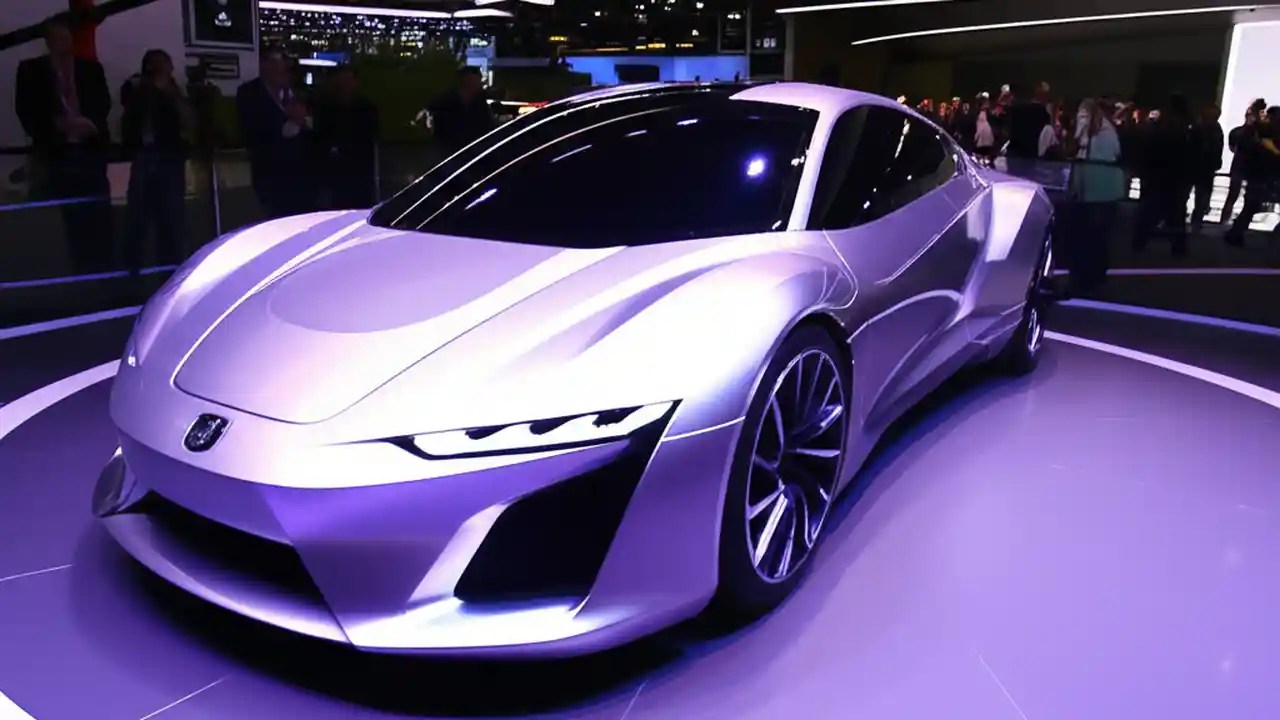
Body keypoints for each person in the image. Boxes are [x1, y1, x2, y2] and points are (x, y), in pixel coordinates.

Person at [14, 17, 114, 273]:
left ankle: (100, 269)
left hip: (89, 149)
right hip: (56, 152)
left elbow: (102, 103)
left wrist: (89, 124)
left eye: (64, 37)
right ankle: (75, 271)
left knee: (97, 211)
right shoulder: (31, 70)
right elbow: (26, 109)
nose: (60, 43)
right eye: (54, 38)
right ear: (47, 41)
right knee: (67, 215)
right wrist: (56, 125)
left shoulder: (90, 68)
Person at [121, 49, 193, 272]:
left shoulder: (175, 91)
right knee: (137, 222)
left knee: (171, 223)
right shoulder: (135, 87)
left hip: (169, 160)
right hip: (144, 158)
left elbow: (188, 120)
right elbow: (129, 118)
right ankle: (131, 275)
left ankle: (169, 273)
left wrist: (170, 93)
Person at [236, 48, 317, 219]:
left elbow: (311, 123)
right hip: (271, 173)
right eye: (277, 64)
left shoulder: (296, 91)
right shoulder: (249, 93)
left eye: (284, 66)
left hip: (303, 174)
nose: (282, 70)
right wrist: (292, 123)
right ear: (265, 65)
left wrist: (303, 122)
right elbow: (254, 130)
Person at [1068, 98, 1125, 295]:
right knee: (1095, 237)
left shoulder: (1097, 132)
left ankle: (1088, 279)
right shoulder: (1106, 131)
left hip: (1093, 193)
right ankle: (1093, 278)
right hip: (1100, 193)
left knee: (1091, 237)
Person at [1132, 94, 1195, 257]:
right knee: (1174, 212)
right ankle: (1177, 247)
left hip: (1161, 174)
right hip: (1173, 175)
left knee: (1153, 210)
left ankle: (1141, 240)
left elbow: (1149, 149)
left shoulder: (1161, 128)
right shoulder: (1184, 130)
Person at [315, 66, 379, 209]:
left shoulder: (365, 107)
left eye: (348, 80)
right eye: (342, 80)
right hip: (333, 171)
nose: (345, 84)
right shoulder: (324, 107)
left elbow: (369, 136)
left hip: (359, 169)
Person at [1224, 106, 1280, 247]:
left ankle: (1236, 232)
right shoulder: (1263, 133)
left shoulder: (1265, 133)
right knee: (1252, 205)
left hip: (1263, 175)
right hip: (1261, 175)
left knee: (1252, 205)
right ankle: (1236, 232)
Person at [429, 66, 494, 156]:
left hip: (474, 150)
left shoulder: (480, 101)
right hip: (450, 149)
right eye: (477, 78)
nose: (479, 82)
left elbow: (487, 125)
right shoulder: (447, 100)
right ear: (467, 79)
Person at [1221, 99, 1266, 224]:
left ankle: (1228, 220)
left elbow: (1232, 146)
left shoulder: (1241, 132)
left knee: (1236, 195)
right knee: (1240, 195)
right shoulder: (1254, 133)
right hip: (1247, 166)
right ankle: (1234, 221)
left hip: (1243, 165)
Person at [1189, 104, 1224, 231]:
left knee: (1202, 195)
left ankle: (1197, 219)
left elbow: (1218, 147)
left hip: (1205, 166)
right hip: (1197, 165)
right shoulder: (1199, 128)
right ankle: (1195, 220)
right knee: (1199, 194)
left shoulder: (1212, 129)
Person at [1005, 84, 1051, 160]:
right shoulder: (1042, 112)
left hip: (1014, 152)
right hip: (1031, 154)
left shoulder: (1015, 110)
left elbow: (1010, 130)